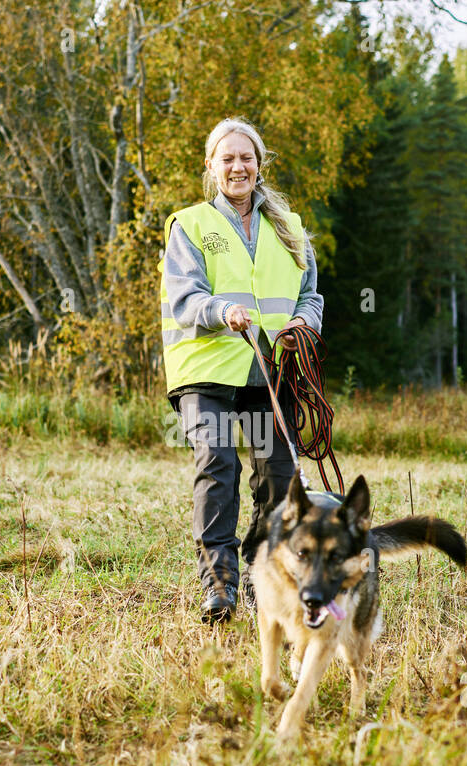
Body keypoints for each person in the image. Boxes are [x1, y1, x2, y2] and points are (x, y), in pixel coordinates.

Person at [158, 116, 324, 624]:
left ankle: (258, 573)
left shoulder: (289, 227)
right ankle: (219, 583)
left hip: (269, 370)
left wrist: (303, 321)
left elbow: (310, 295)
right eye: (227, 158)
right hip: (207, 369)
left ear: (259, 164)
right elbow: (185, 298)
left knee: (277, 476)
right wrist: (219, 311)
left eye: (246, 157)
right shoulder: (189, 224)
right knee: (218, 465)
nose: (238, 166)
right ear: (211, 166)